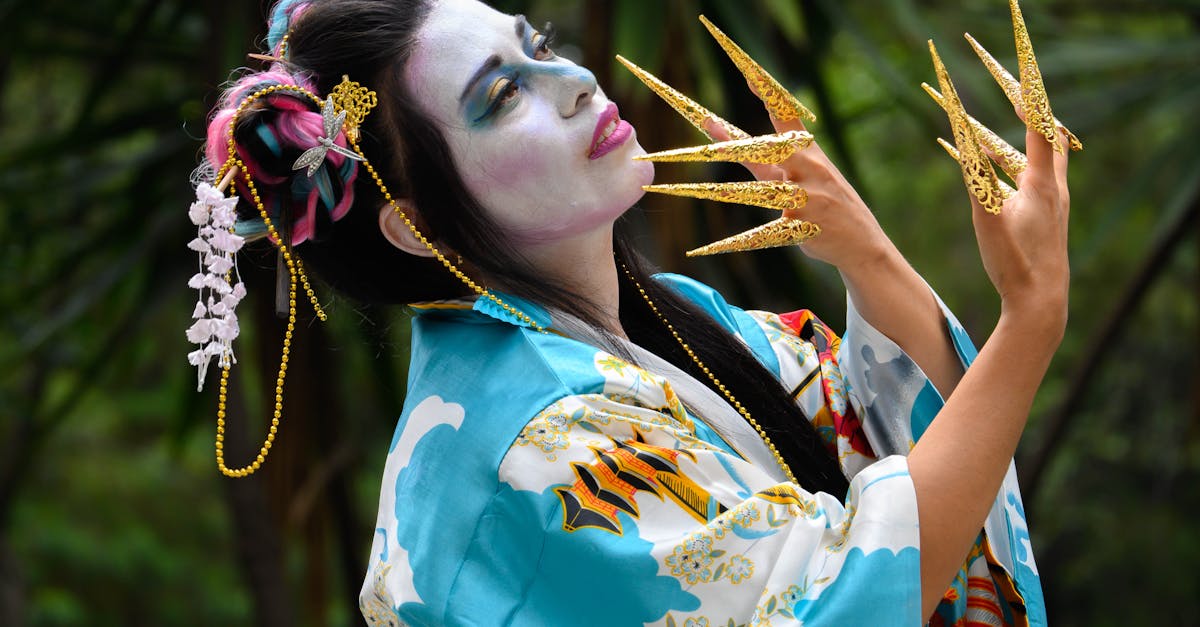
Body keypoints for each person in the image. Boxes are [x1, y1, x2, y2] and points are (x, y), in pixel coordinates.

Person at [195, 0, 1071, 623]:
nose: (572, 78)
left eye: (536, 44)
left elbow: (894, 446)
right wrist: (1030, 316)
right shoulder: (539, 439)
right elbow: (840, 598)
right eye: (502, 95)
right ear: (416, 225)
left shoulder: (655, 318)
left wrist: (866, 254)